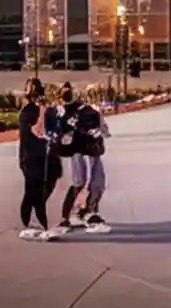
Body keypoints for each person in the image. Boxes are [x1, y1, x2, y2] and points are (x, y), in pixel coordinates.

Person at [52, 82, 111, 234]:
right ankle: (68, 215)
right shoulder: (64, 113)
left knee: (97, 182)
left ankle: (89, 212)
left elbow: (102, 129)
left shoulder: (87, 110)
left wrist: (98, 132)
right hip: (79, 150)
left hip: (91, 150)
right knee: (79, 182)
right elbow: (62, 134)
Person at [18, 78, 62, 241]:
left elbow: (54, 129)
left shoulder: (46, 110)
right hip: (30, 158)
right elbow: (37, 130)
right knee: (32, 190)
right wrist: (43, 111)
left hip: (45, 157)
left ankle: (38, 220)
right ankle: (31, 223)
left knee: (48, 183)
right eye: (35, 95)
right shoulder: (28, 112)